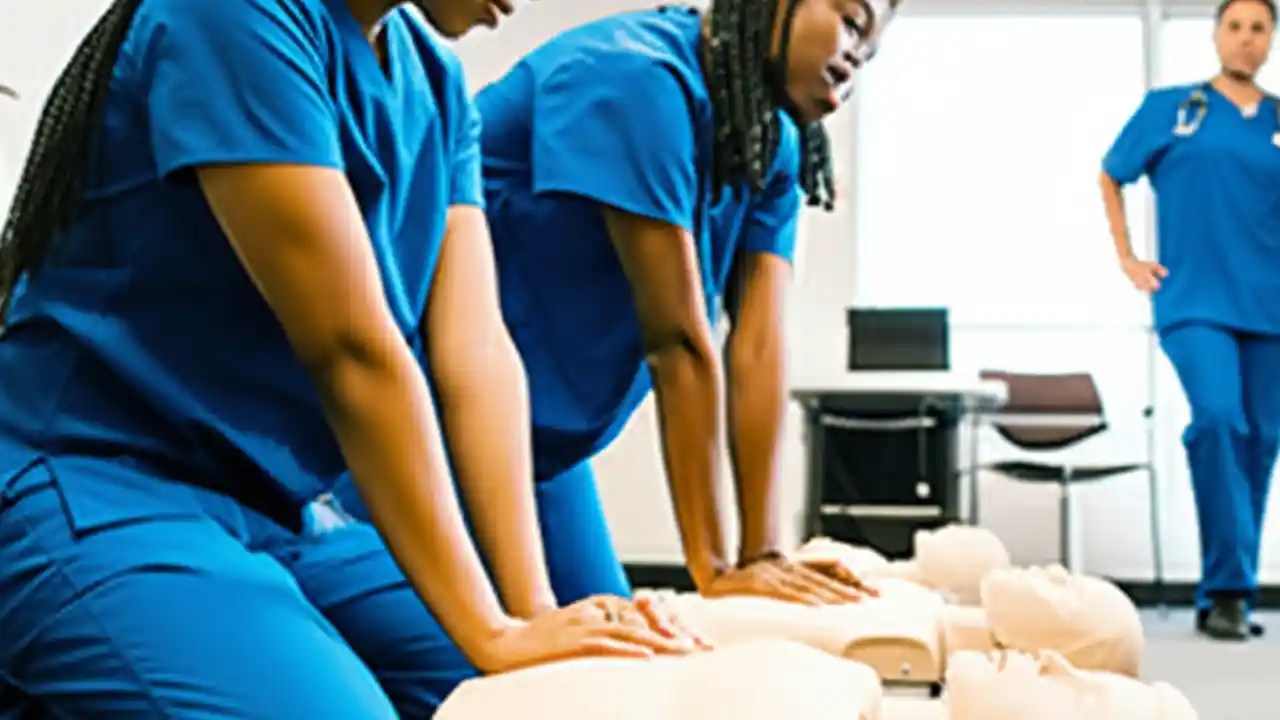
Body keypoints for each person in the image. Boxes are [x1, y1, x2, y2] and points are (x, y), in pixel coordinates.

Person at [0, 0, 693, 717]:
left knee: (568, 691)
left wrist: (532, 615)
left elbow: (477, 350)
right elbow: (353, 352)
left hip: (280, 509)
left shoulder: (435, 81)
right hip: (95, 480)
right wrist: (490, 631)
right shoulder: (234, 16)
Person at [331, 0, 900, 607]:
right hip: (424, 419)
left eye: (868, 51)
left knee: (616, 655)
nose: (853, 57)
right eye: (851, 21)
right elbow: (677, 342)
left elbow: (758, 346)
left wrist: (762, 555)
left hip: (543, 449)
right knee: (480, 671)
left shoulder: (772, 142)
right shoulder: (635, 78)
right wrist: (712, 568)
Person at [1100, 0, 1280, 642]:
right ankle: (1230, 589)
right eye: (1235, 26)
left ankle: (1225, 592)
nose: (1245, 38)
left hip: (1271, 308)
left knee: (1259, 443)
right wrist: (1128, 257)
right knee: (1218, 421)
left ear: (1271, 40)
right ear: (1215, 35)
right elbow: (1111, 172)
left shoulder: (1279, 121)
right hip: (1196, 302)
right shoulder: (1173, 109)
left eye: (1259, 28)